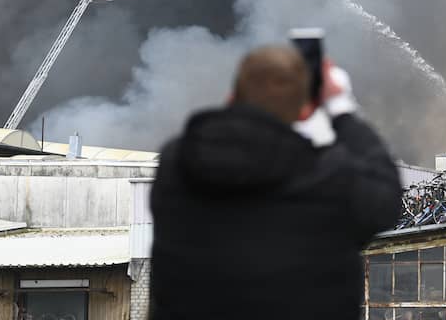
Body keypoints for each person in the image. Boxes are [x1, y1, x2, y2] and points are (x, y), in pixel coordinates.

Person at [150, 45, 402, 320]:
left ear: (232, 96)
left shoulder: (176, 165)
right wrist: (340, 109)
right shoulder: (327, 176)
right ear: (305, 111)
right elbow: (385, 197)